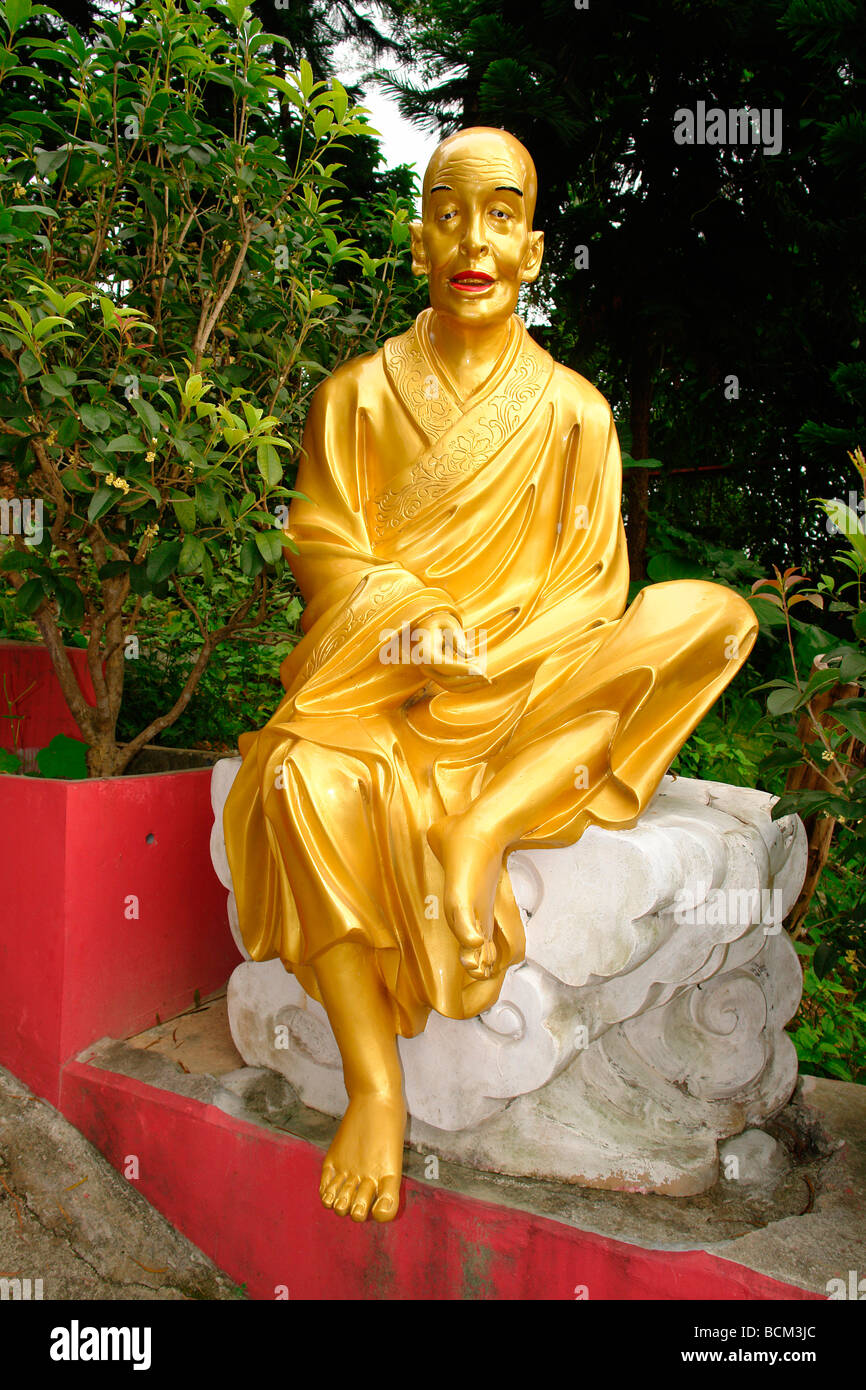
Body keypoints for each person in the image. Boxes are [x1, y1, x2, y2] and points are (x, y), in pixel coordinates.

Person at [223, 126, 758, 1223]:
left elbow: (593, 592)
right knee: (300, 780)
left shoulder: (575, 412)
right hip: (390, 683)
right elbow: (322, 546)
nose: (474, 241)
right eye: (449, 214)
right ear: (419, 239)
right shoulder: (355, 397)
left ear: (533, 249)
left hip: (530, 683)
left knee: (711, 617)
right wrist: (414, 622)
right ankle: (375, 1086)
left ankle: (482, 829)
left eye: (501, 216)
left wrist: (497, 653)